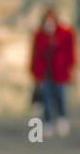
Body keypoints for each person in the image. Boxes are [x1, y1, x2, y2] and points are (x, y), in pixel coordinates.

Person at [30, 7, 76, 136]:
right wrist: (34, 72)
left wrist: (71, 68)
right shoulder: (39, 34)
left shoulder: (65, 33)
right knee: (46, 99)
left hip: (59, 72)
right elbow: (35, 54)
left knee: (60, 97)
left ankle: (62, 118)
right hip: (44, 73)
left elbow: (70, 53)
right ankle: (48, 122)